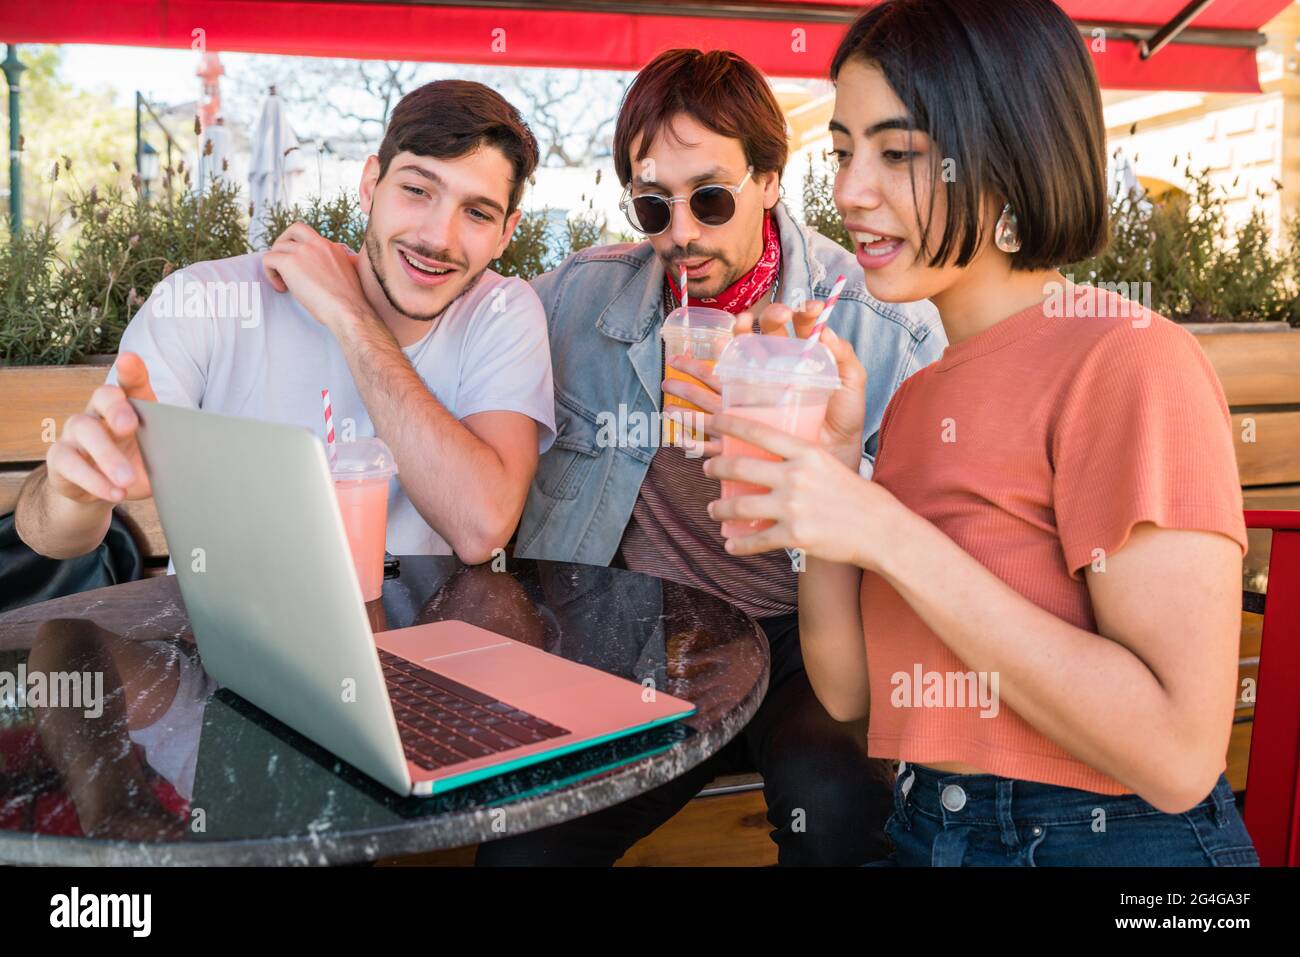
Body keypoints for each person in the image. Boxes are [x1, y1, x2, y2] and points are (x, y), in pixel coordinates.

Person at [705, 0, 1259, 866]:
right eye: (845, 150)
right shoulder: (918, 399)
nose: (849, 191)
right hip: (926, 826)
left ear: (1010, 154)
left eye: (899, 154)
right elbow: (850, 694)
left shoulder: (1131, 362)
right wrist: (830, 470)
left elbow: (1181, 754)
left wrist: (884, 528)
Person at [486, 48, 946, 866]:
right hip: (638, 638)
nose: (683, 235)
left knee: (838, 804)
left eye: (709, 197)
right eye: (653, 207)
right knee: (526, 847)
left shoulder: (885, 327)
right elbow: (460, 338)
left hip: (810, 641)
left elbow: (932, 547)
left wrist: (805, 453)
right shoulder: (578, 301)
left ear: (770, 178)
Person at [15, 81, 555, 567]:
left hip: (418, 654)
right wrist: (74, 494)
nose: (439, 237)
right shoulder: (208, 301)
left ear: (507, 232)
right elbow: (50, 537)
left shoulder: (502, 314)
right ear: (371, 184)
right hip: (227, 652)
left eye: (478, 213)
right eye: (417, 190)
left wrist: (349, 316)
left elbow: (482, 528)